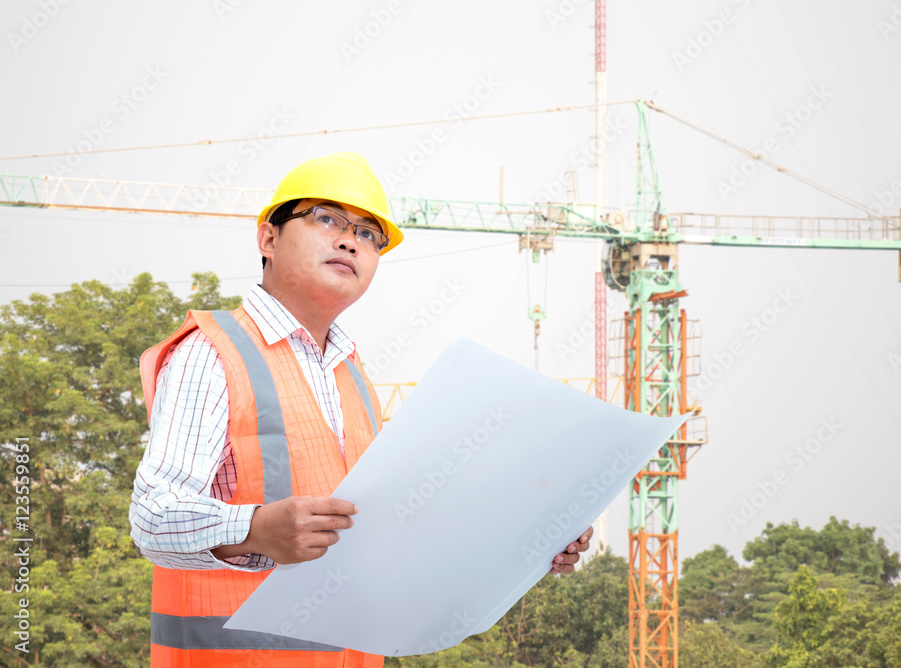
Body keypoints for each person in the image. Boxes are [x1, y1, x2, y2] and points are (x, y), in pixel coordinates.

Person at [129, 152, 593, 667]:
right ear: (268, 239)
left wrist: (527, 540)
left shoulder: (352, 378)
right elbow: (152, 518)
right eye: (327, 218)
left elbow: (384, 542)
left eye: (370, 234)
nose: (351, 239)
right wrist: (255, 528)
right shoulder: (213, 351)